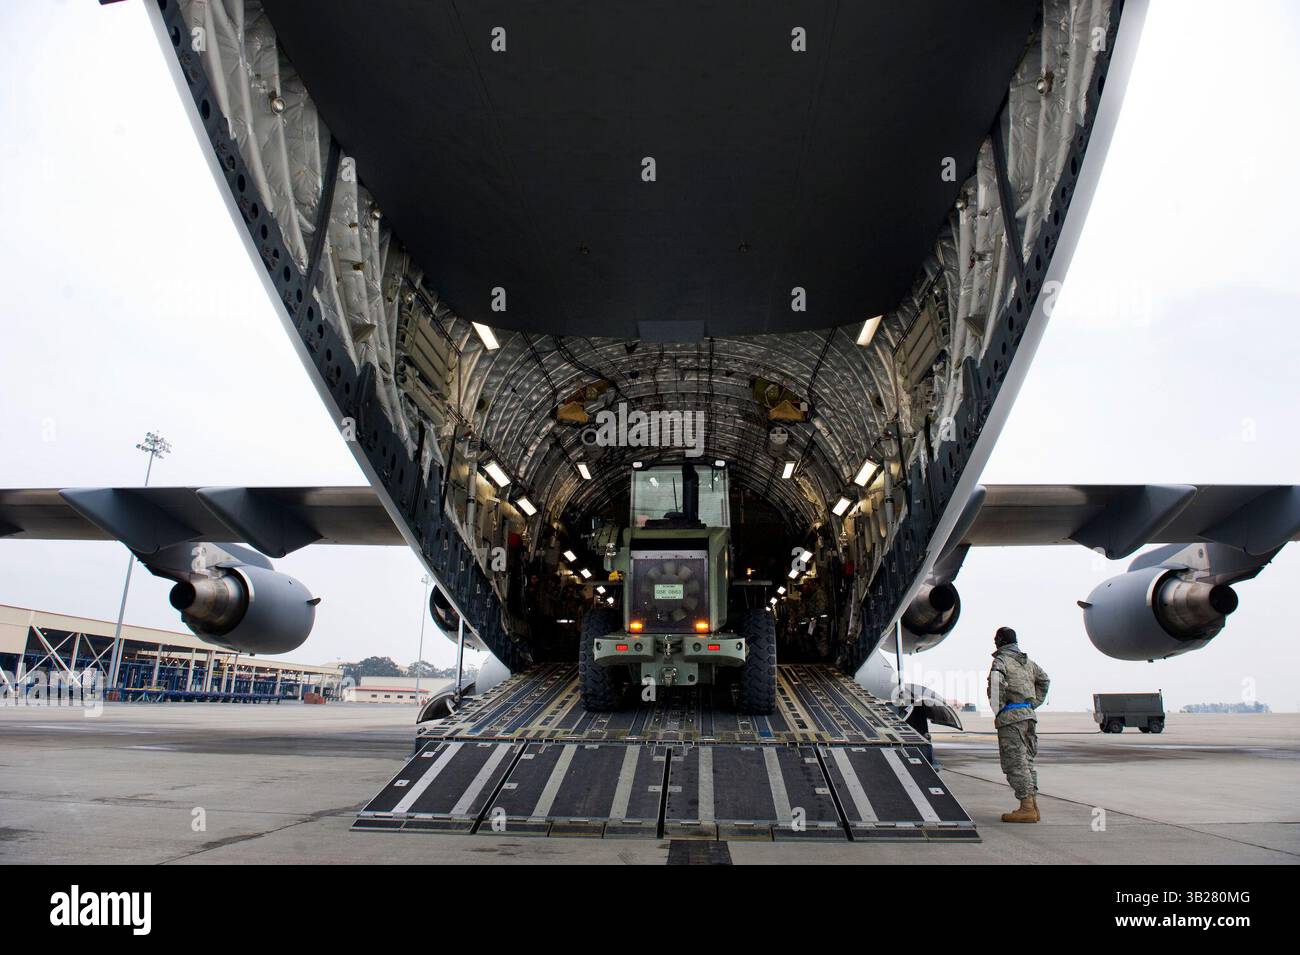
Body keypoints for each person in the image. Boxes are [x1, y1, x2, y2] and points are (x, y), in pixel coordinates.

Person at [987, 627, 1050, 823]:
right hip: (1028, 717)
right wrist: (1033, 704)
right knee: (1027, 762)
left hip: (1011, 718)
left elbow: (996, 685)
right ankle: (1033, 805)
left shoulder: (1001, 661)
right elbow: (1044, 680)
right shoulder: (1028, 663)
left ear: (999, 641)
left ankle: (1027, 807)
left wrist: (999, 710)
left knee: (1015, 763)